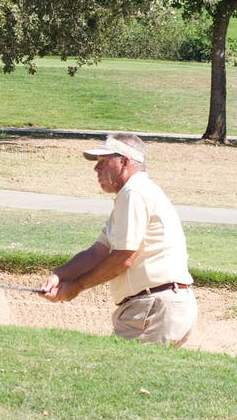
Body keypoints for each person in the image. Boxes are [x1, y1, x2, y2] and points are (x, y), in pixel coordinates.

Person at [39, 132, 197, 346]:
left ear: (124, 162)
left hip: (153, 307)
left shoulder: (134, 193)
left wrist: (76, 286)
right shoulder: (133, 195)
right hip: (163, 305)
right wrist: (59, 276)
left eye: (104, 161)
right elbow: (97, 252)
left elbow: (124, 258)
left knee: (111, 375)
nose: (96, 168)